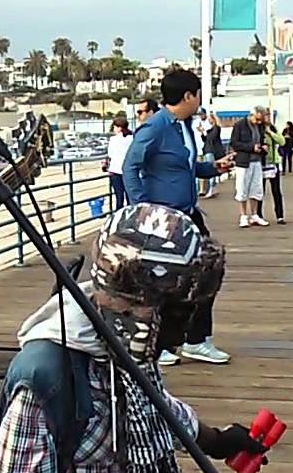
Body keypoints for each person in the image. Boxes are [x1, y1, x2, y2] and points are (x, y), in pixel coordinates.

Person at [0, 203, 293, 473]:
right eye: (180, 313)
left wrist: (217, 440)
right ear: (135, 307)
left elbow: (157, 408)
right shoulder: (45, 379)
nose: (185, 329)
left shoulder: (125, 354)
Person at [122, 69, 234, 365]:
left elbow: (184, 166)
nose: (199, 100)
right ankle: (163, 345)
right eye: (197, 94)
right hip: (162, 220)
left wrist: (213, 168)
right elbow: (130, 167)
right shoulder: (155, 127)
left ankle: (195, 339)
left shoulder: (182, 126)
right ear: (188, 96)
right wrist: (142, 210)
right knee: (163, 283)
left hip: (188, 215)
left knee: (207, 272)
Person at [230, 107, 270, 227]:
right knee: (242, 188)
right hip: (243, 162)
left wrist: (264, 147)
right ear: (253, 115)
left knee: (256, 189)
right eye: (257, 119)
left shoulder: (260, 126)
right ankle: (243, 216)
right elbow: (234, 143)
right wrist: (251, 147)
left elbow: (262, 139)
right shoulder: (239, 125)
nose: (259, 122)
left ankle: (254, 215)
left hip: (257, 161)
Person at [263, 120, 289, 224]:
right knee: (260, 192)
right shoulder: (257, 130)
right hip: (261, 163)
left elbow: (282, 141)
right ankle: (258, 214)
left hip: (273, 163)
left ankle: (280, 215)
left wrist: (270, 132)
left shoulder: (273, 129)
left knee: (276, 191)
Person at [105, 116, 133, 209]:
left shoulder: (114, 139)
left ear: (119, 127)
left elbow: (110, 154)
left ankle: (119, 219)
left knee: (119, 198)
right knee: (129, 197)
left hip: (116, 171)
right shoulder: (132, 138)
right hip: (129, 171)